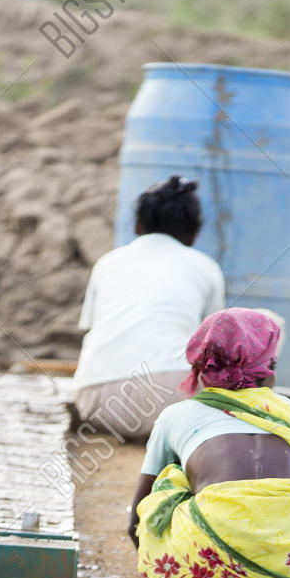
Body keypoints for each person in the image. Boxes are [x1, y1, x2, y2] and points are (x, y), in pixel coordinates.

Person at [124, 308, 290, 578]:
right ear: (269, 363)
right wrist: (277, 545)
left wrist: (164, 565)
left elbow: (136, 523)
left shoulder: (176, 416)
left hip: (199, 577)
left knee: (172, 480)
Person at [73, 176, 225, 442]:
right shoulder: (205, 267)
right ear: (194, 232)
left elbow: (91, 328)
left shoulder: (108, 263)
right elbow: (213, 343)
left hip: (98, 401)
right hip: (173, 402)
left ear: (137, 224)